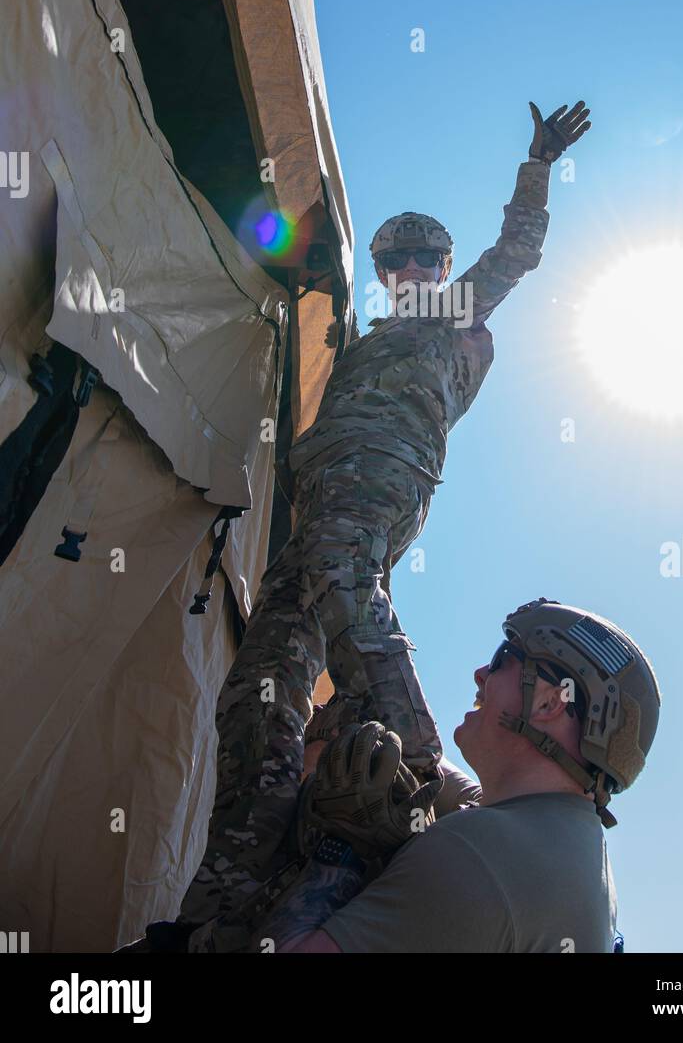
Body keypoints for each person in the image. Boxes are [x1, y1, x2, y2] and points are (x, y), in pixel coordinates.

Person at [172, 100, 592, 949]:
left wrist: (537, 165)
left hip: (379, 479)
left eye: (418, 256)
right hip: (325, 491)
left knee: (343, 585)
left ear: (439, 263)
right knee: (262, 684)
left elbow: (517, 253)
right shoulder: (365, 335)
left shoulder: (455, 317)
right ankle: (222, 904)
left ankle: (424, 761)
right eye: (391, 257)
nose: (404, 266)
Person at [250, 598, 661, 954]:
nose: (480, 674)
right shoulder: (569, 844)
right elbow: (449, 784)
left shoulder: (480, 855)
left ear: (550, 703)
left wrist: (342, 847)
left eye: (503, 658)